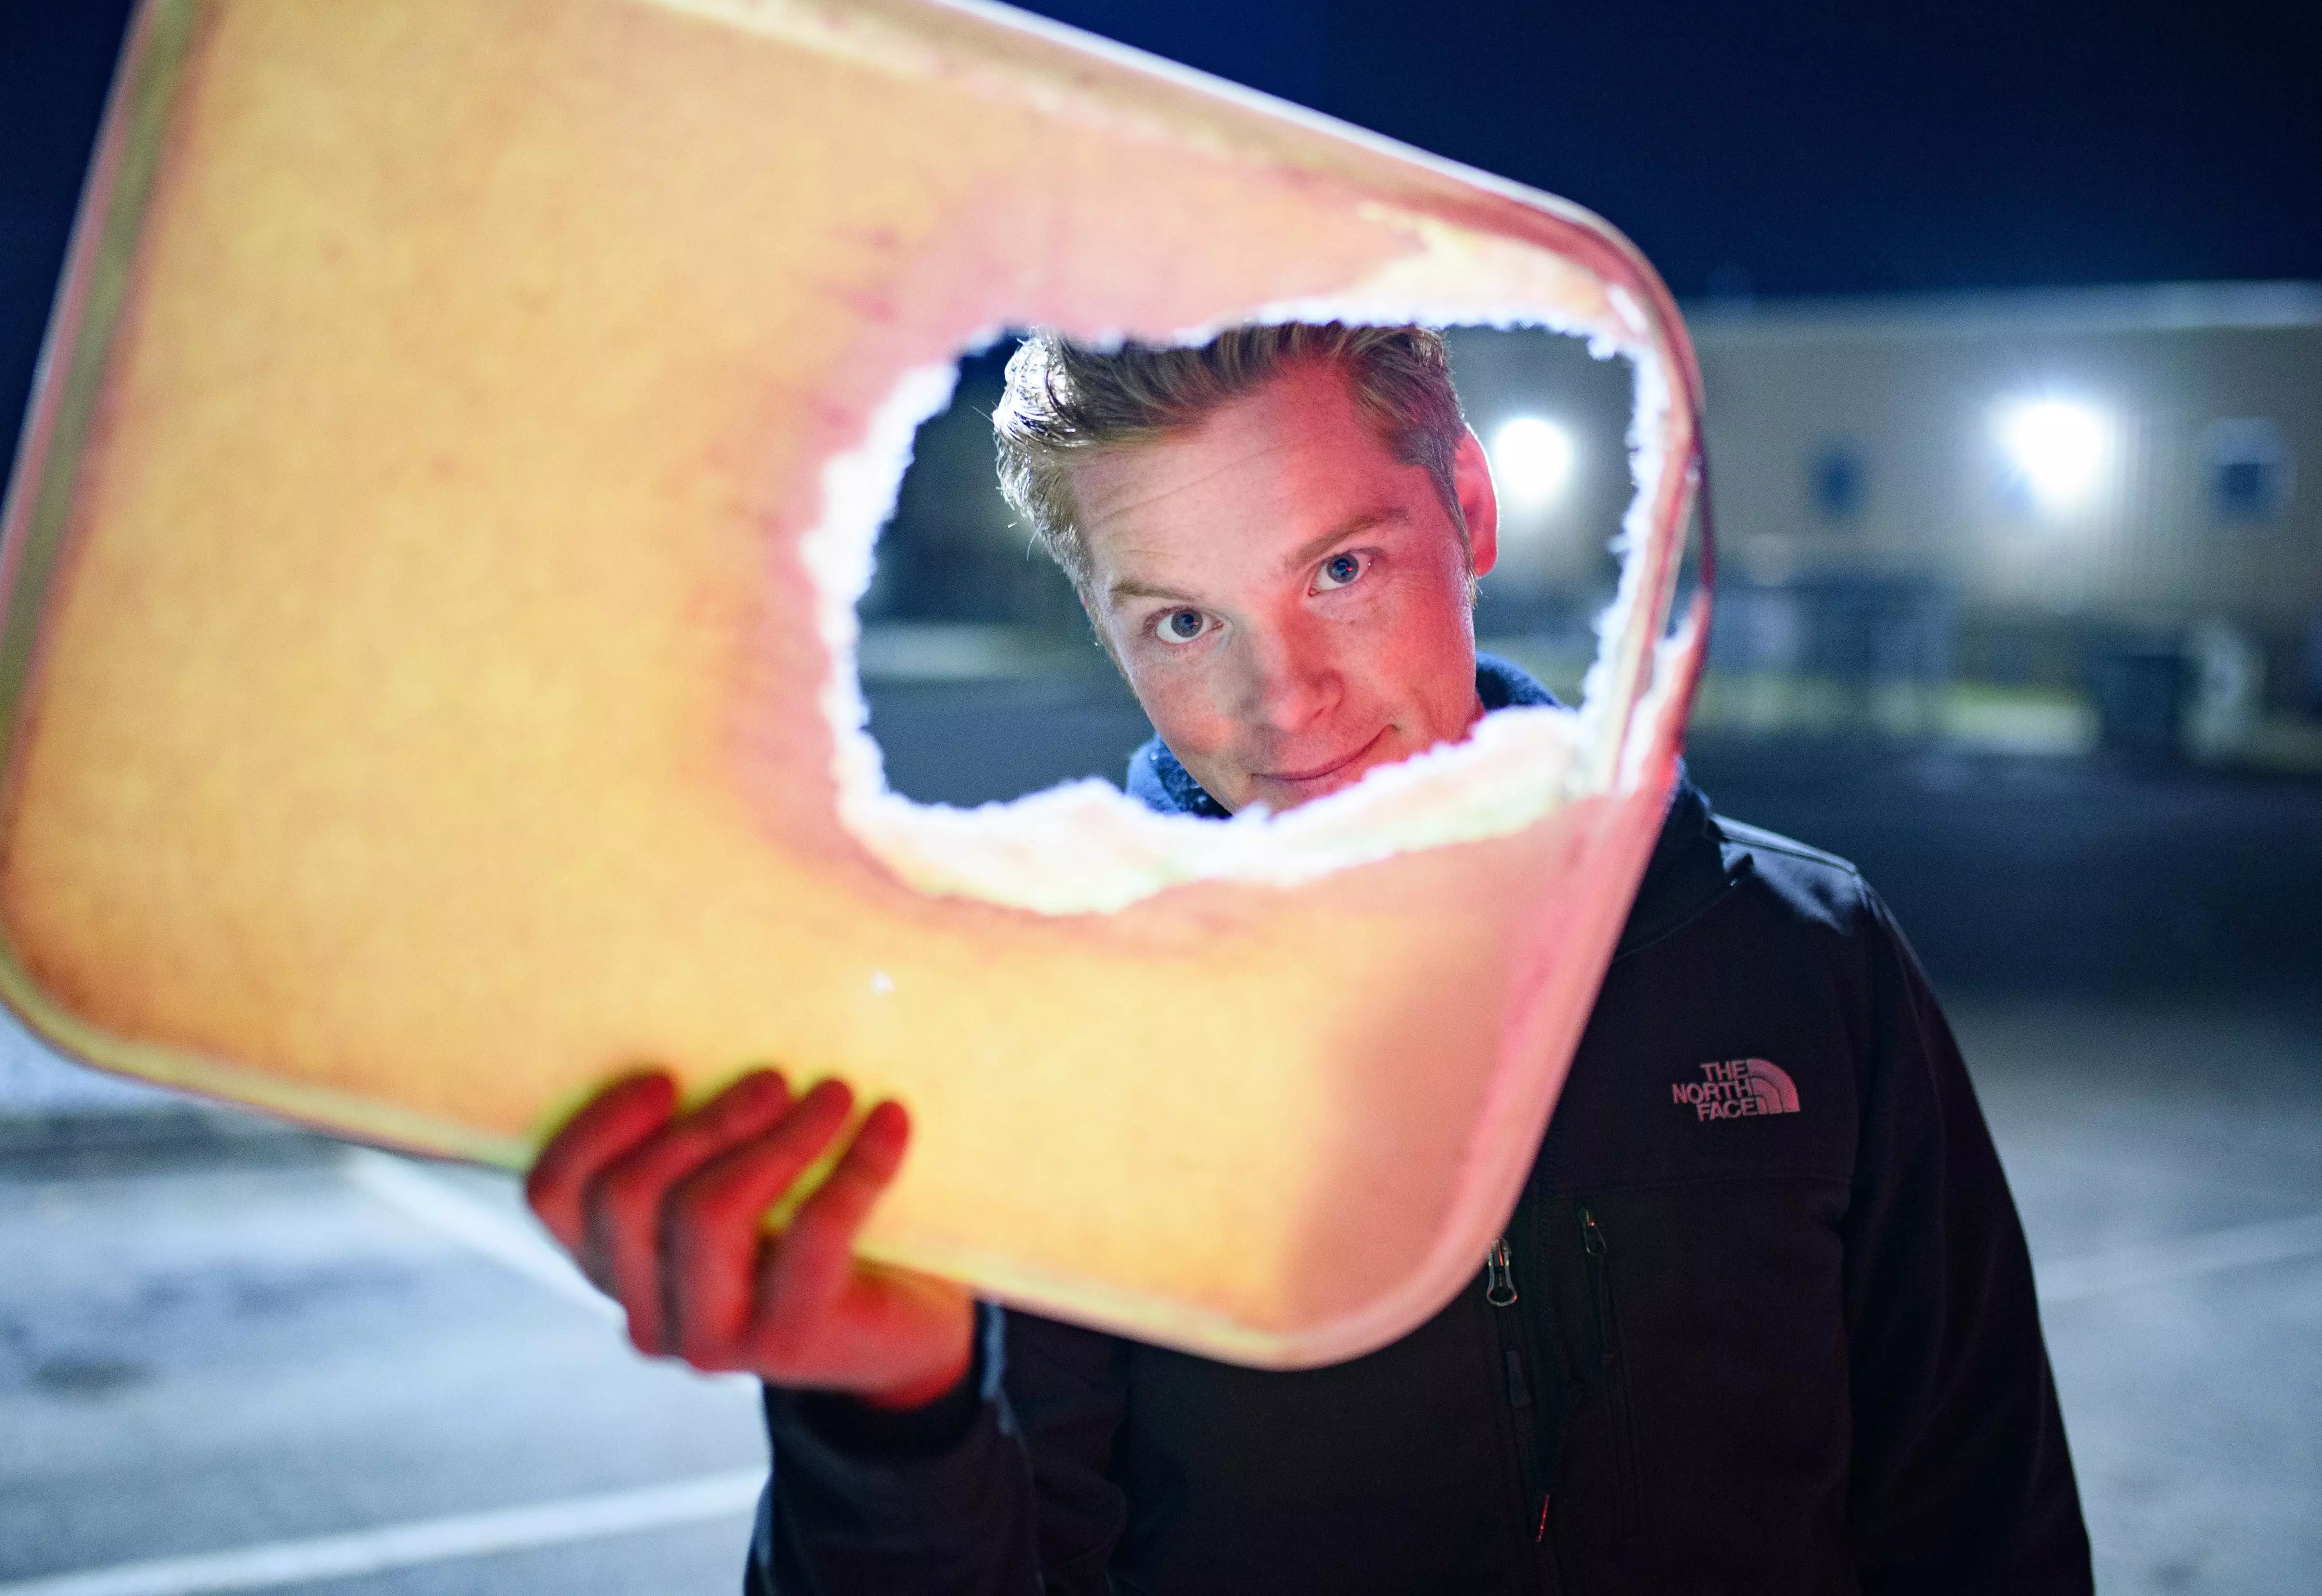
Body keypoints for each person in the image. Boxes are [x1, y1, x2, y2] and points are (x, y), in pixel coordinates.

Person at [526, 325, 2093, 1593]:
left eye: (1340, 571)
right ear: (1102, 624)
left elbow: (1982, 1521)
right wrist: (884, 1423)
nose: (1288, 711)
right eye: (1185, 628)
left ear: (1467, 509)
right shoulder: (1046, 1033)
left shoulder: (1797, 957)